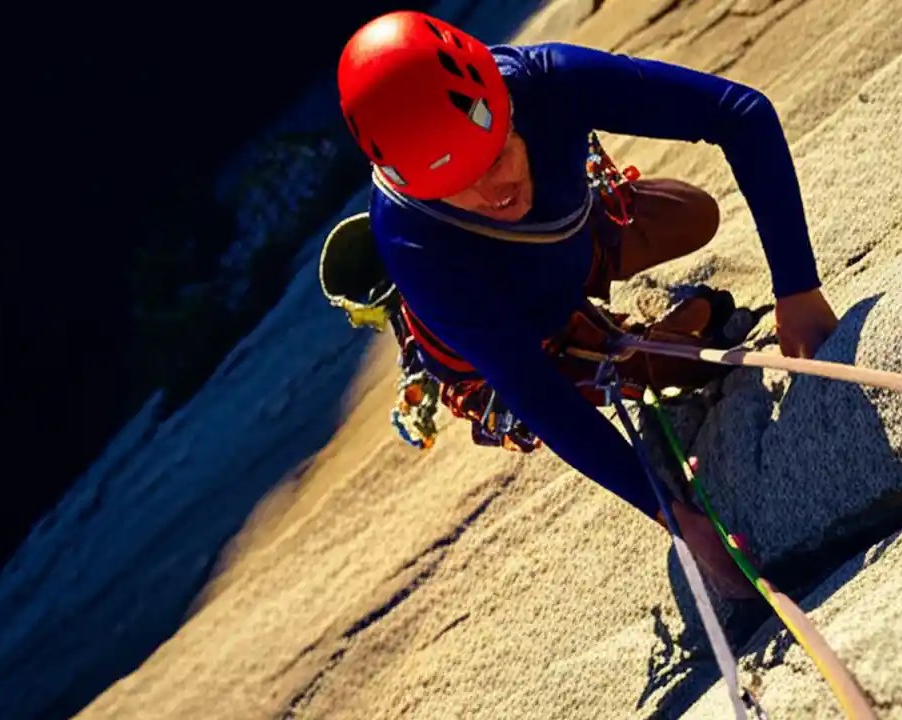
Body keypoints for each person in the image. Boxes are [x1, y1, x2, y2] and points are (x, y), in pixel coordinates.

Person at [335, 10, 838, 598]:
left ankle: (654, 327)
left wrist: (798, 290)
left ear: (503, 103)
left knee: (695, 215)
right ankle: (642, 343)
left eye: (496, 156)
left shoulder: (549, 82)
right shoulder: (411, 241)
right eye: (457, 188)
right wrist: (675, 517)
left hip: (569, 242)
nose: (491, 193)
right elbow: (531, 388)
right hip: (520, 335)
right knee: (676, 362)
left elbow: (740, 113)